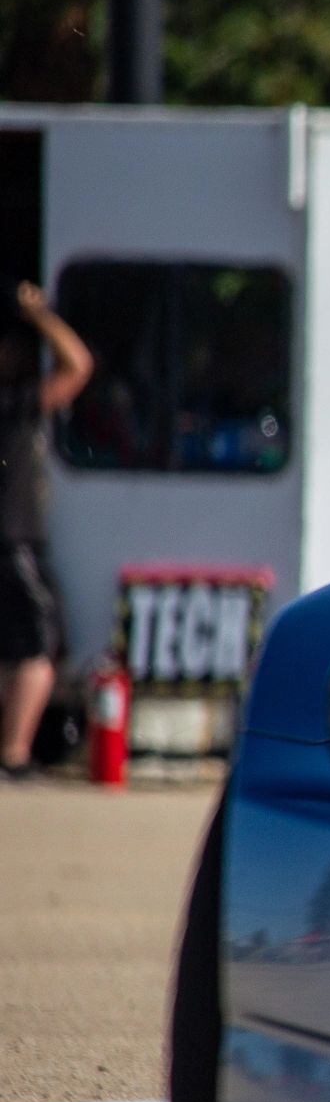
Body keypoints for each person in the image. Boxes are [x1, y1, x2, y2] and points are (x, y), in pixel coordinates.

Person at [0, 281, 94, 779]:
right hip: (11, 541)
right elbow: (78, 366)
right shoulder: (14, 404)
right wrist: (40, 315)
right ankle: (14, 755)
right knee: (38, 645)